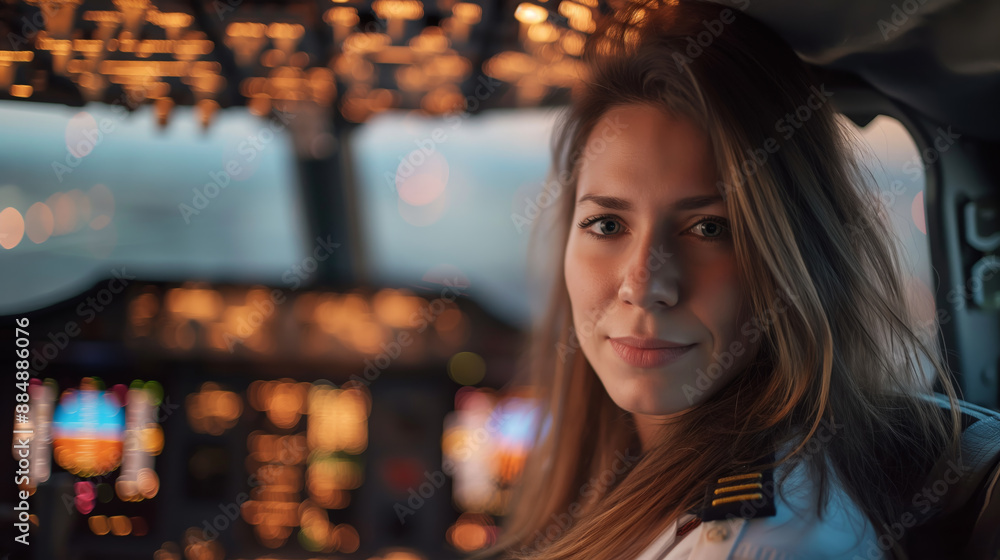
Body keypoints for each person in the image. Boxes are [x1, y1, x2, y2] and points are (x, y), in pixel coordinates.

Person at [471, 0, 963, 559]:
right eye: (607, 223)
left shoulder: (756, 545)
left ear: (791, 258)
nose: (644, 283)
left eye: (709, 227)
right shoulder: (649, 487)